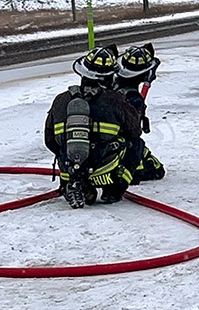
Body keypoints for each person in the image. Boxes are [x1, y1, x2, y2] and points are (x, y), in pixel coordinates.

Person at [44, 46, 145, 209]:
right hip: (104, 171)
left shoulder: (60, 100)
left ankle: (71, 184)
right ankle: (114, 190)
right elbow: (135, 132)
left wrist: (69, 157)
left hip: (68, 170)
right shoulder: (116, 100)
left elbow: (49, 140)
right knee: (137, 145)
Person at [113, 42, 166, 182]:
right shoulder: (133, 99)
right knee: (156, 171)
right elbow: (132, 133)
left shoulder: (112, 85)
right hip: (119, 147)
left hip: (101, 147)